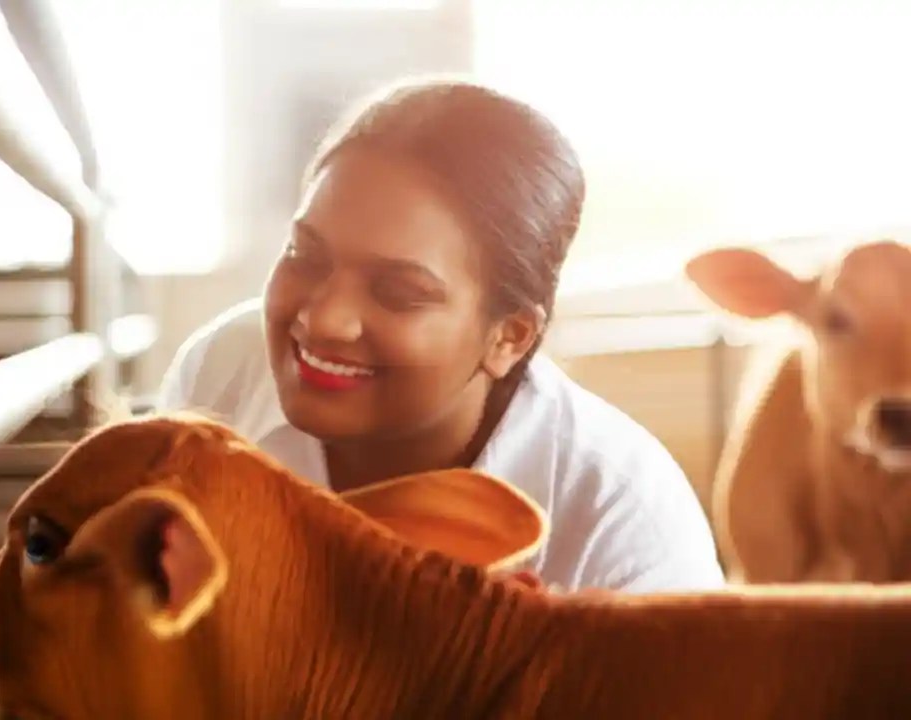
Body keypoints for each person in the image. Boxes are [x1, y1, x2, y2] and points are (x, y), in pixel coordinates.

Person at [155, 77, 724, 592]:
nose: (324, 319)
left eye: (399, 292)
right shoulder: (221, 372)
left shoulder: (621, 527)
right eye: (306, 255)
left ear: (511, 337)